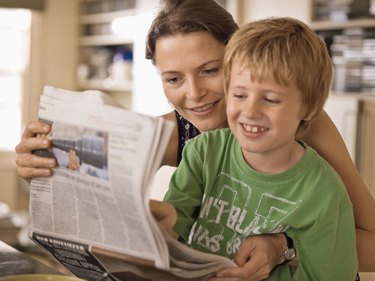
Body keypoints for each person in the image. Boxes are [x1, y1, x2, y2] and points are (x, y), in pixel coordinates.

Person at [14, 0, 375, 278]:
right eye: (174, 79)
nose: (195, 94)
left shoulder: (297, 123)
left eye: (210, 70)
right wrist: (43, 161)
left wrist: (285, 245)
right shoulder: (182, 136)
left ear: (239, 60)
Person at [163, 17, 358, 280]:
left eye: (270, 99)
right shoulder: (203, 151)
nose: (250, 111)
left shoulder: (323, 191)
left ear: (309, 108)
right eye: (239, 95)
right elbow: (174, 223)